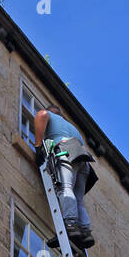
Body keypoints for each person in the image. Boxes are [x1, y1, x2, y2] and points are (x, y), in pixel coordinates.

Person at [33, 106, 98, 249]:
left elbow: (42, 114)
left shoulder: (49, 115)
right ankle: (86, 232)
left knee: (65, 188)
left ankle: (70, 224)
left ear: (52, 113)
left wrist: (38, 147)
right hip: (83, 161)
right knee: (78, 199)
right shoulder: (73, 129)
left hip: (65, 152)